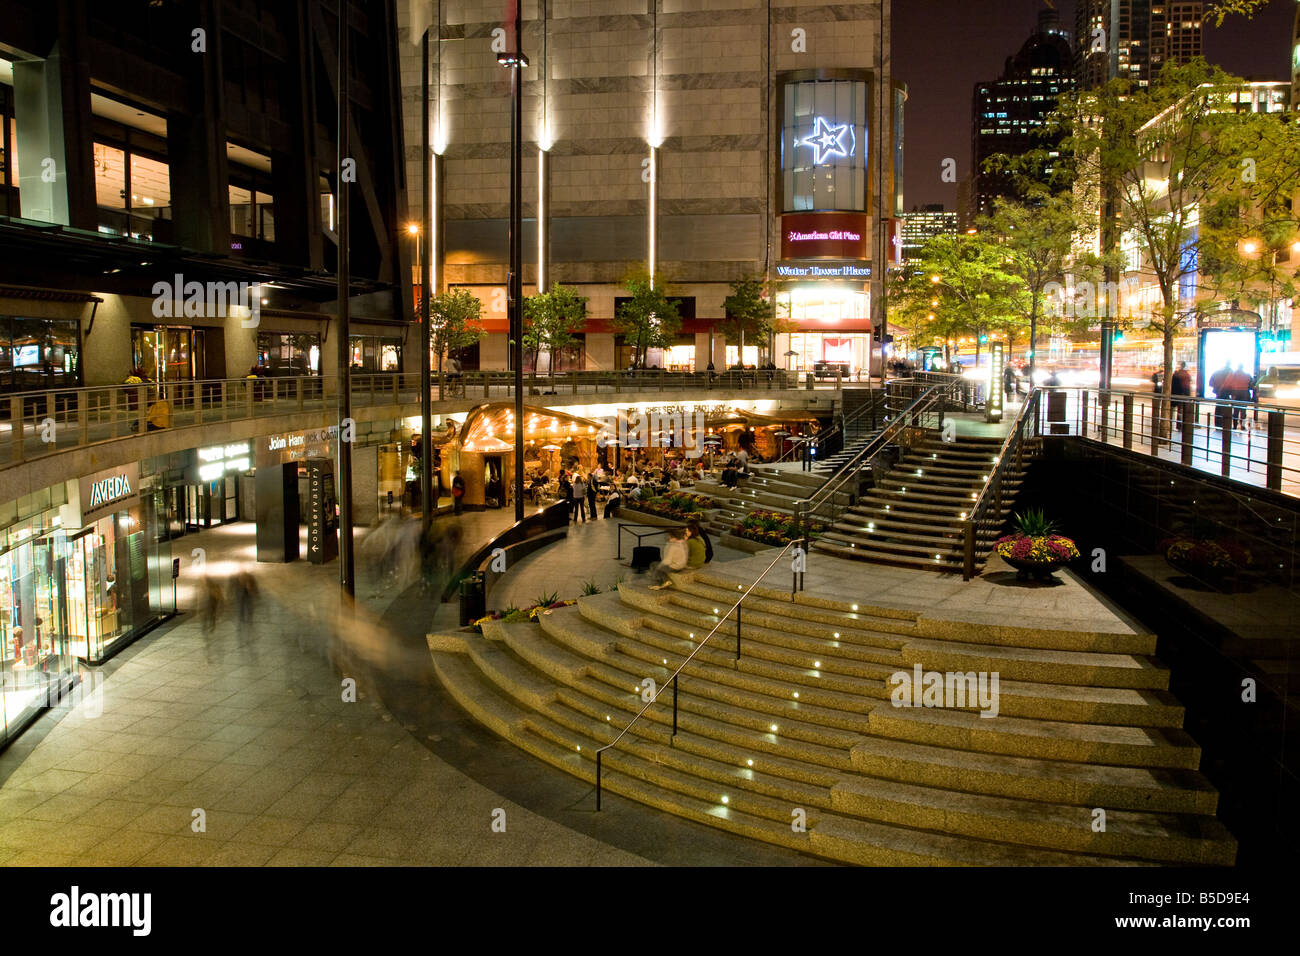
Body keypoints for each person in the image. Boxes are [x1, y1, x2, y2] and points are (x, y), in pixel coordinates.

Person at [1209, 361, 1233, 430]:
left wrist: (1217, 387)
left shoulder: (1217, 371)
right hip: (1226, 392)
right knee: (1226, 408)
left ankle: (1217, 424)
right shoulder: (1231, 371)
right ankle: (1225, 423)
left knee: (1218, 407)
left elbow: (1211, 382)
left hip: (1218, 392)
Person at [1228, 364, 1253, 429]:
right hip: (1244, 393)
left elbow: (1229, 382)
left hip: (1235, 392)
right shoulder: (1247, 375)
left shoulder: (1233, 374)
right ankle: (1243, 425)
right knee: (1243, 411)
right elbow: (1251, 384)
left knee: (1235, 411)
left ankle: (1235, 426)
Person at [1171, 361, 1193, 430]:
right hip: (1185, 394)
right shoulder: (1186, 374)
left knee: (1179, 410)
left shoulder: (1177, 374)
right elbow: (1188, 384)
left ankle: (1179, 425)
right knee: (1183, 410)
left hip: (1178, 394)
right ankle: (1183, 425)